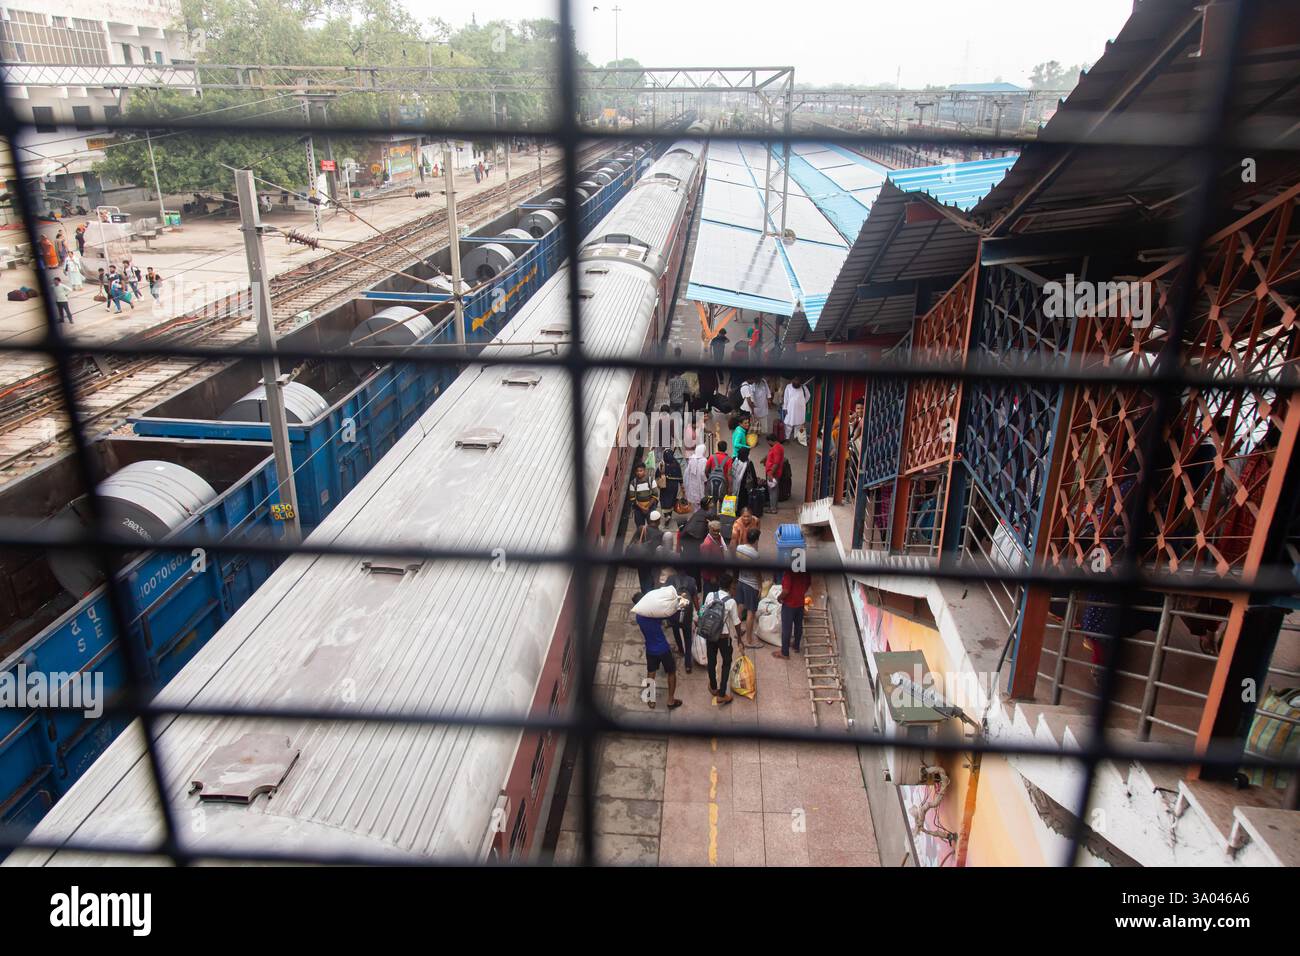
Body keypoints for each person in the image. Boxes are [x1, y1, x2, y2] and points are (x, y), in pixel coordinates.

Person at [699, 573, 742, 703]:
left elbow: (702, 610)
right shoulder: (731, 602)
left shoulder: (710, 595)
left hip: (710, 634)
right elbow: (736, 623)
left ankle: (713, 687)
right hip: (724, 638)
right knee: (726, 662)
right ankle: (722, 694)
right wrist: (739, 639)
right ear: (730, 587)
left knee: (711, 661)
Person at [636, 611, 682, 710]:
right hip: (663, 649)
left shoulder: (638, 617)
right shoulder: (654, 615)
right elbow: (669, 617)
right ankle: (670, 700)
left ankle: (651, 700)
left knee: (651, 673)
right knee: (671, 672)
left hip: (650, 650)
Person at [664, 569, 698, 674]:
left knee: (675, 630)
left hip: (675, 613)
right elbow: (695, 598)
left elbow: (666, 596)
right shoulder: (692, 581)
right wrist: (699, 611)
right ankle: (688, 664)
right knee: (688, 638)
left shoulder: (670, 579)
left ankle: (680, 649)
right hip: (687, 616)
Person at [774, 568, 813, 659]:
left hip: (789, 604)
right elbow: (808, 583)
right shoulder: (805, 571)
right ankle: (796, 646)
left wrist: (779, 598)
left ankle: (784, 653)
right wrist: (800, 592)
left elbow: (786, 591)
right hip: (800, 603)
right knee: (798, 625)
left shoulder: (789, 572)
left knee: (786, 629)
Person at [735, 527, 763, 646]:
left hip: (741, 581)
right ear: (756, 540)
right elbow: (757, 573)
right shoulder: (755, 555)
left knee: (740, 607)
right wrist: (760, 585)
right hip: (751, 585)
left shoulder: (739, 548)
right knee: (751, 612)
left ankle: (738, 632)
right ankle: (749, 640)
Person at [627, 462, 657, 541]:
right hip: (638, 510)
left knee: (652, 527)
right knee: (640, 528)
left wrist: (647, 507)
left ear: (645, 471)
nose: (639, 473)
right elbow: (633, 499)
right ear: (635, 472)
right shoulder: (633, 483)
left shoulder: (651, 480)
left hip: (650, 508)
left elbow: (655, 495)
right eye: (637, 471)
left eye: (641, 471)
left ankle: (651, 541)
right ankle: (642, 541)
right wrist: (642, 508)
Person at [700, 519, 729, 593]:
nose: (716, 533)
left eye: (718, 530)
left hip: (719, 572)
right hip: (711, 577)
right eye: (714, 530)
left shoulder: (718, 537)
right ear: (709, 529)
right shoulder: (707, 544)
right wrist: (712, 576)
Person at [783, 377, 811, 445]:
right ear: (792, 380)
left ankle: (796, 437)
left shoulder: (803, 387)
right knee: (788, 424)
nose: (796, 382)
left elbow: (808, 396)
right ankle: (787, 438)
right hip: (790, 409)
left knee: (798, 424)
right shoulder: (788, 387)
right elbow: (786, 398)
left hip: (800, 409)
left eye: (798, 380)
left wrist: (803, 402)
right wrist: (785, 408)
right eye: (795, 380)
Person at [683, 443, 708, 509]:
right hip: (700, 483)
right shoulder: (704, 460)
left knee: (694, 503)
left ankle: (695, 516)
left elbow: (686, 472)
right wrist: (706, 481)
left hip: (692, 483)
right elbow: (703, 474)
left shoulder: (692, 458)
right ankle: (699, 516)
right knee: (700, 501)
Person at [765, 436, 785, 514]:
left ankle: (773, 508)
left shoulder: (777, 448)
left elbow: (776, 463)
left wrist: (771, 474)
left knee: (773, 491)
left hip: (773, 473)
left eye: (768, 442)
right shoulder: (778, 447)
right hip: (774, 473)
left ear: (770, 441)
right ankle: (773, 505)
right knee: (774, 490)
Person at [657, 448, 682, 513]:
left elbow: (657, 474)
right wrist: (682, 485)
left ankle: (666, 515)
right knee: (672, 499)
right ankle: (670, 513)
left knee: (665, 500)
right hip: (674, 486)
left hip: (665, 486)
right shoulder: (676, 464)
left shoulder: (662, 464)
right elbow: (680, 475)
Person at [667, 351, 690, 419]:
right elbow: (687, 391)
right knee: (680, 416)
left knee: (672, 416)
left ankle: (672, 426)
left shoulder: (671, 381)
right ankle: (680, 426)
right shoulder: (684, 380)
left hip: (673, 401)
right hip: (680, 401)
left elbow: (669, 391)